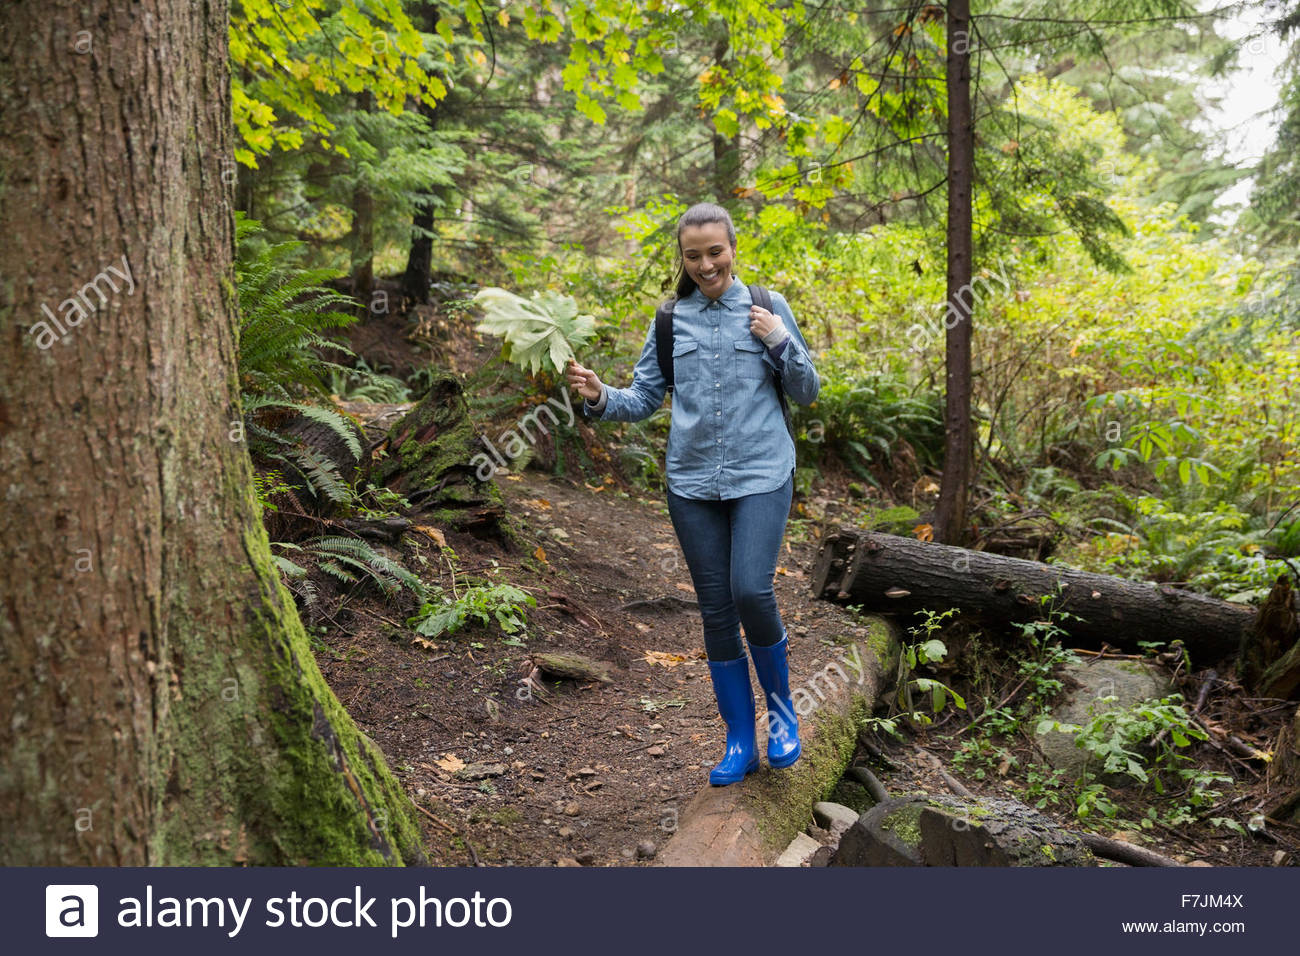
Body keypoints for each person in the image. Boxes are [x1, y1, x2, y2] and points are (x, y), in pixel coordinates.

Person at [565, 202, 820, 785]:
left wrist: (779, 341)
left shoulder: (767, 308)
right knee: (716, 612)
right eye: (693, 254)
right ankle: (738, 739)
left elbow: (807, 392)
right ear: (682, 257)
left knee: (751, 590)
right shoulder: (670, 320)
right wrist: (600, 393)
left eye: (715, 251)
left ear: (732, 247)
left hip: (761, 474)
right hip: (692, 484)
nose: (706, 264)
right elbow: (642, 400)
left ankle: (782, 718)